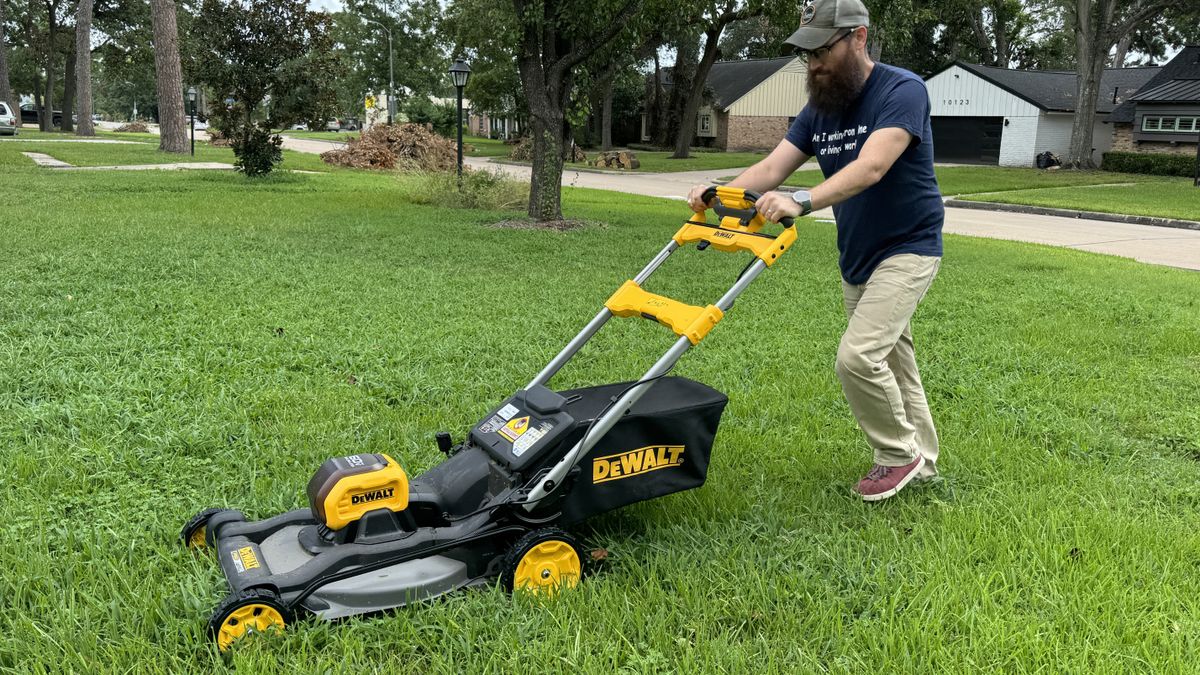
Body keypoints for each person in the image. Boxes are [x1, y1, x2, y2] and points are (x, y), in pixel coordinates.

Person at [688, 0, 944, 502]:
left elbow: (872, 166)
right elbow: (768, 169)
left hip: (908, 246)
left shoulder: (902, 90)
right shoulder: (820, 109)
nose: (814, 64)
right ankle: (925, 463)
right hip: (858, 253)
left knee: (857, 357)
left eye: (823, 50)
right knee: (893, 361)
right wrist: (718, 194)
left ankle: (897, 454)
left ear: (859, 38)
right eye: (807, 54)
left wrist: (802, 200)